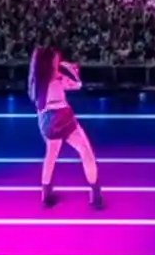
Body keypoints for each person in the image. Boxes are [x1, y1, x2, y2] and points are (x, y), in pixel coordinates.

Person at [29, 46, 103, 209]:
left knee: (51, 154)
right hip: (62, 115)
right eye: (56, 59)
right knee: (85, 150)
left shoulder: (36, 80)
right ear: (50, 61)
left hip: (45, 120)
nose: (59, 60)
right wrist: (70, 68)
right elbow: (77, 84)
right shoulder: (58, 77)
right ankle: (96, 194)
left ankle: (46, 193)